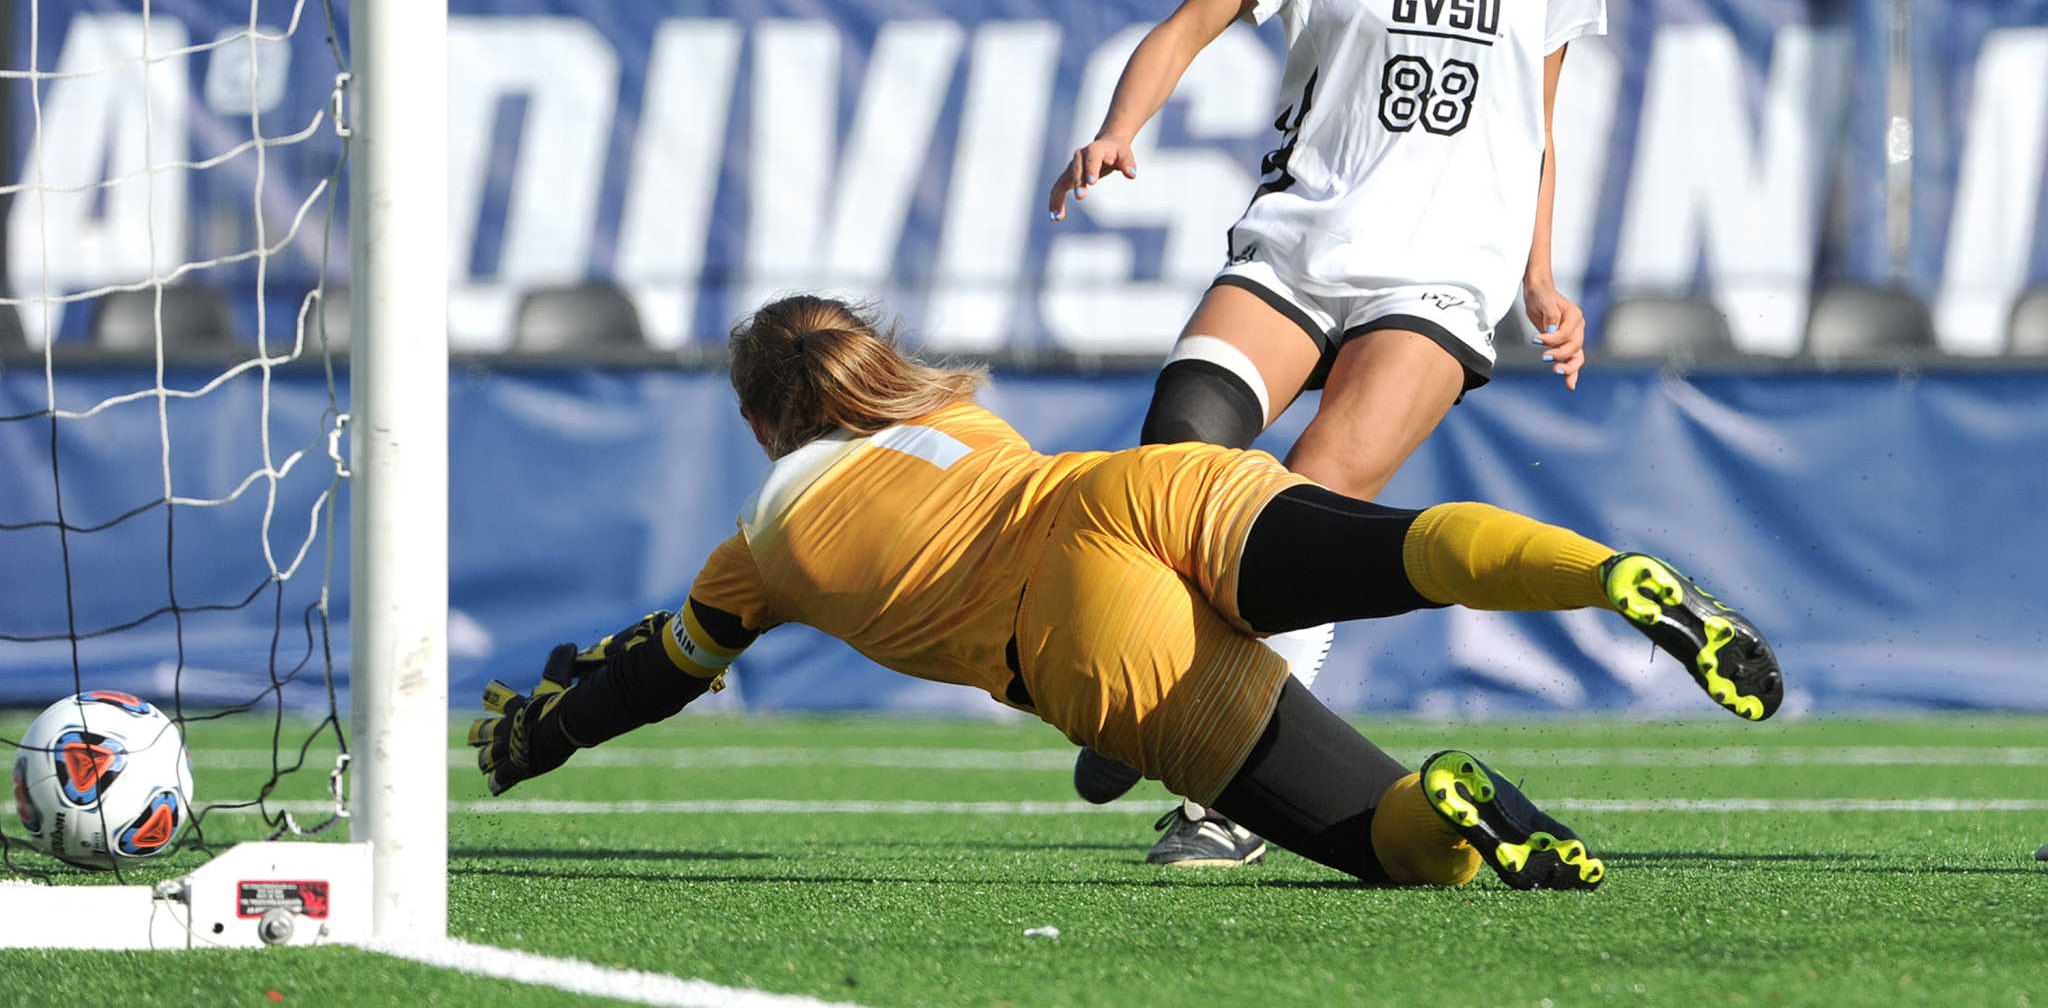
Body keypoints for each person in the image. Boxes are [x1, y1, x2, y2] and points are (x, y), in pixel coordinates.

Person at [470, 296, 1783, 892]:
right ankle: (1610, 573)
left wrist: (540, 737)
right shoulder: (956, 413)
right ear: (879, 366)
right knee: (1406, 547)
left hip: (1080, 631)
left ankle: (1449, 807)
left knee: (1382, 845)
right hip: (1134, 489)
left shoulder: (761, 535)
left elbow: (656, 672)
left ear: (763, 424)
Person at [1043, 0, 1604, 863]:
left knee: (1312, 502)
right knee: (1177, 452)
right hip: (1296, 251)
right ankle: (1154, 685)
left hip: (1438, 275)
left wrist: (1540, 281)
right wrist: (1116, 129)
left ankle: (1219, 791)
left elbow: (1537, 132)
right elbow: (1189, 22)